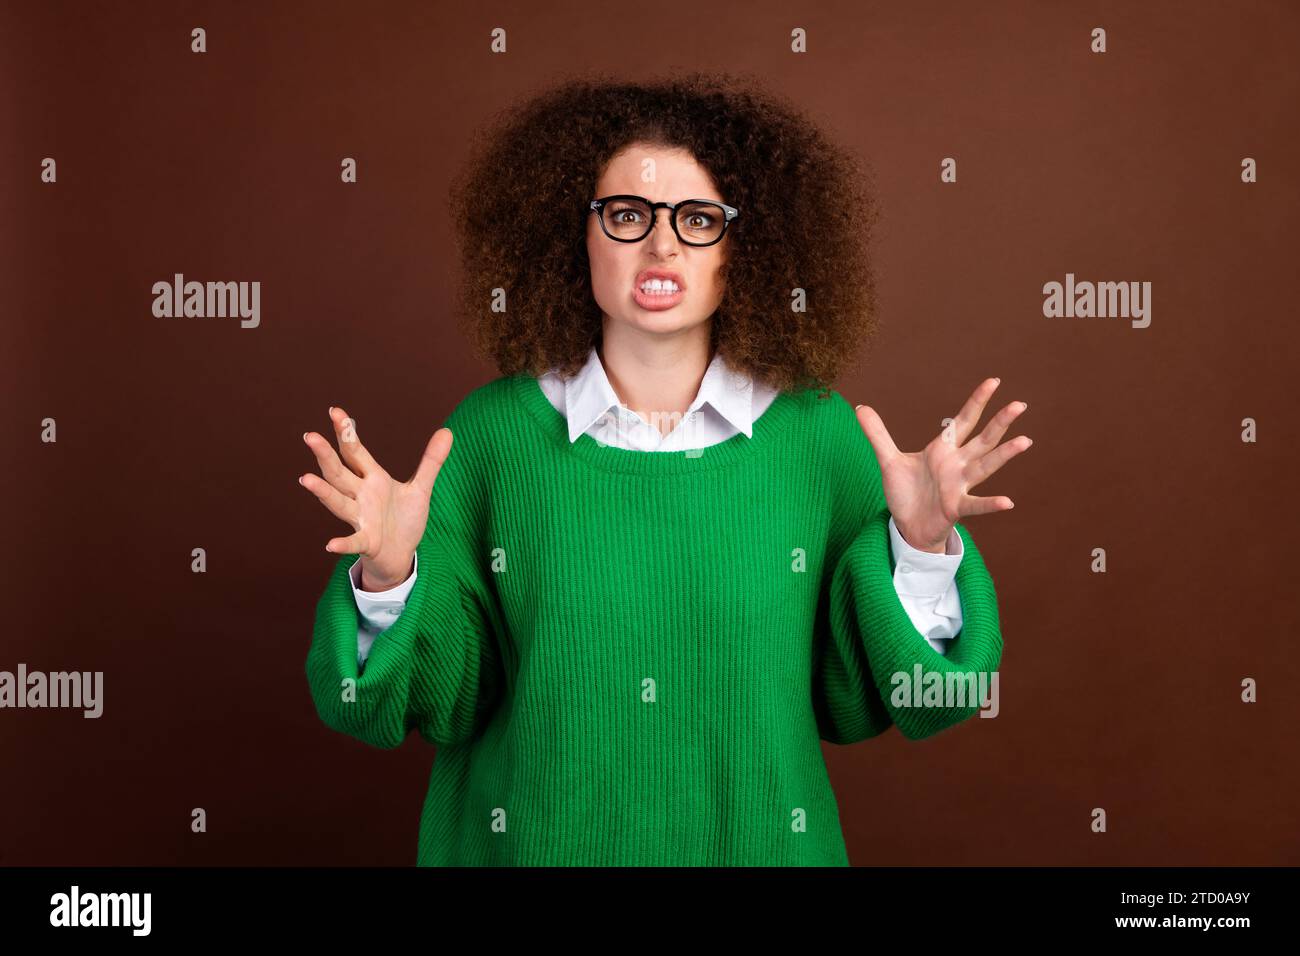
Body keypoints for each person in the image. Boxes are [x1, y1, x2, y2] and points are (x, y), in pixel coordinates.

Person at [299, 72, 1030, 866]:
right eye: (626, 215)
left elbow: (926, 700)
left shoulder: (821, 439)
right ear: (572, 234)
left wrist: (920, 549)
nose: (662, 245)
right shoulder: (490, 438)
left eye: (697, 219)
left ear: (745, 244)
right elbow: (422, 704)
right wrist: (390, 576)